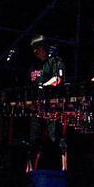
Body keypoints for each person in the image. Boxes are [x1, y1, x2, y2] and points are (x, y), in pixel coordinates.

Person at [29, 35, 66, 171]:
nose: (34, 52)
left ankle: (59, 169)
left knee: (54, 138)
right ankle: (32, 170)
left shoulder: (55, 61)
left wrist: (43, 86)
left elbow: (58, 79)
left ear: (43, 48)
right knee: (34, 139)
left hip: (52, 106)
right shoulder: (34, 64)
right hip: (36, 106)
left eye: (36, 49)